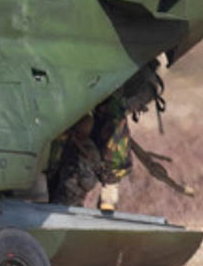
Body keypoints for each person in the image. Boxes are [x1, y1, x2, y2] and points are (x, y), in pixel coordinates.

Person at [46, 65, 162, 209]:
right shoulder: (111, 111)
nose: (139, 108)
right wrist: (110, 188)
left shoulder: (101, 101)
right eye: (139, 103)